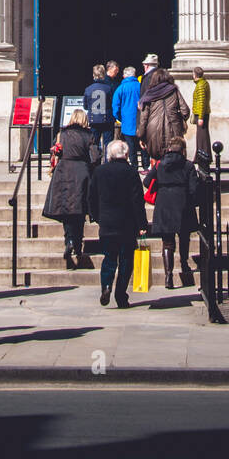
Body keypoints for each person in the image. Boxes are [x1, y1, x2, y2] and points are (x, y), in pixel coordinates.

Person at [88, 138, 148, 308]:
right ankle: (121, 294)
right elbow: (138, 201)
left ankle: (106, 285)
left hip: (107, 223)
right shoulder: (131, 172)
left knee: (109, 258)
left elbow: (91, 197)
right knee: (126, 261)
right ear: (126, 154)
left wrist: (97, 216)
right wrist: (142, 224)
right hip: (127, 224)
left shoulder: (99, 171)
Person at [42, 107, 99, 269]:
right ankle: (78, 245)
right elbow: (94, 158)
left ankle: (69, 241)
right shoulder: (89, 135)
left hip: (63, 172)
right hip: (81, 172)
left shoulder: (62, 134)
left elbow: (55, 151)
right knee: (79, 211)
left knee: (66, 210)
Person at [145, 137, 199, 288]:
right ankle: (184, 264)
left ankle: (168, 276)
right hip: (183, 202)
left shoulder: (159, 164)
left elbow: (147, 182)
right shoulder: (188, 165)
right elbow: (193, 189)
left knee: (167, 242)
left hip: (164, 203)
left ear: (169, 148)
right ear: (182, 149)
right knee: (184, 237)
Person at [137, 67, 191, 165]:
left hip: (153, 132)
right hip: (174, 130)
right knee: (175, 161)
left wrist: (140, 135)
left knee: (158, 161)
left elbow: (143, 118)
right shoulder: (174, 91)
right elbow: (185, 111)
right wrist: (178, 118)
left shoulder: (148, 95)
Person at [83, 63, 114, 160]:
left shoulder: (88, 89)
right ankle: (107, 162)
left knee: (94, 143)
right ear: (104, 75)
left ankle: (95, 162)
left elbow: (85, 106)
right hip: (107, 119)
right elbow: (112, 103)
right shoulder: (109, 89)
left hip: (94, 120)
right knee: (108, 143)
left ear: (93, 75)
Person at [112, 66, 141, 168]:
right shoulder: (141, 86)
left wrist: (120, 118)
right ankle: (146, 165)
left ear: (124, 76)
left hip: (127, 121)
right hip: (140, 121)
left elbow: (115, 106)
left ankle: (134, 165)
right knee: (142, 144)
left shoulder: (121, 88)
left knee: (131, 145)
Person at [191, 66, 211, 167]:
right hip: (202, 113)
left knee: (202, 136)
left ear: (195, 74)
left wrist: (201, 117)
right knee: (201, 136)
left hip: (201, 114)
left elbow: (202, 102)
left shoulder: (200, 85)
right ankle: (200, 155)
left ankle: (203, 155)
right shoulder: (203, 83)